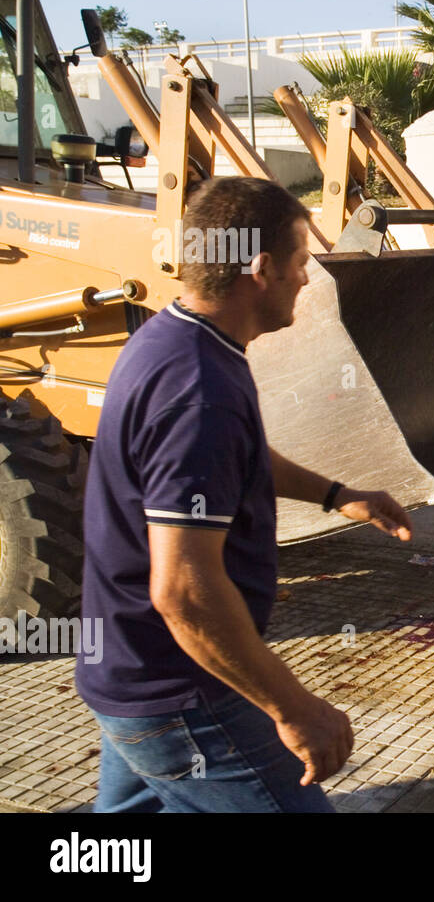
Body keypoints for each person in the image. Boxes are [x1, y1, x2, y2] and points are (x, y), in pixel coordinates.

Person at [75, 177, 414, 813]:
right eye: (301, 263)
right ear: (261, 269)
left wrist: (338, 493)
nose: (309, 281)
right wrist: (292, 708)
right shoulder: (200, 390)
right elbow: (183, 593)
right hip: (183, 695)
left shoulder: (171, 341)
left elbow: (241, 460)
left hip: (132, 677)